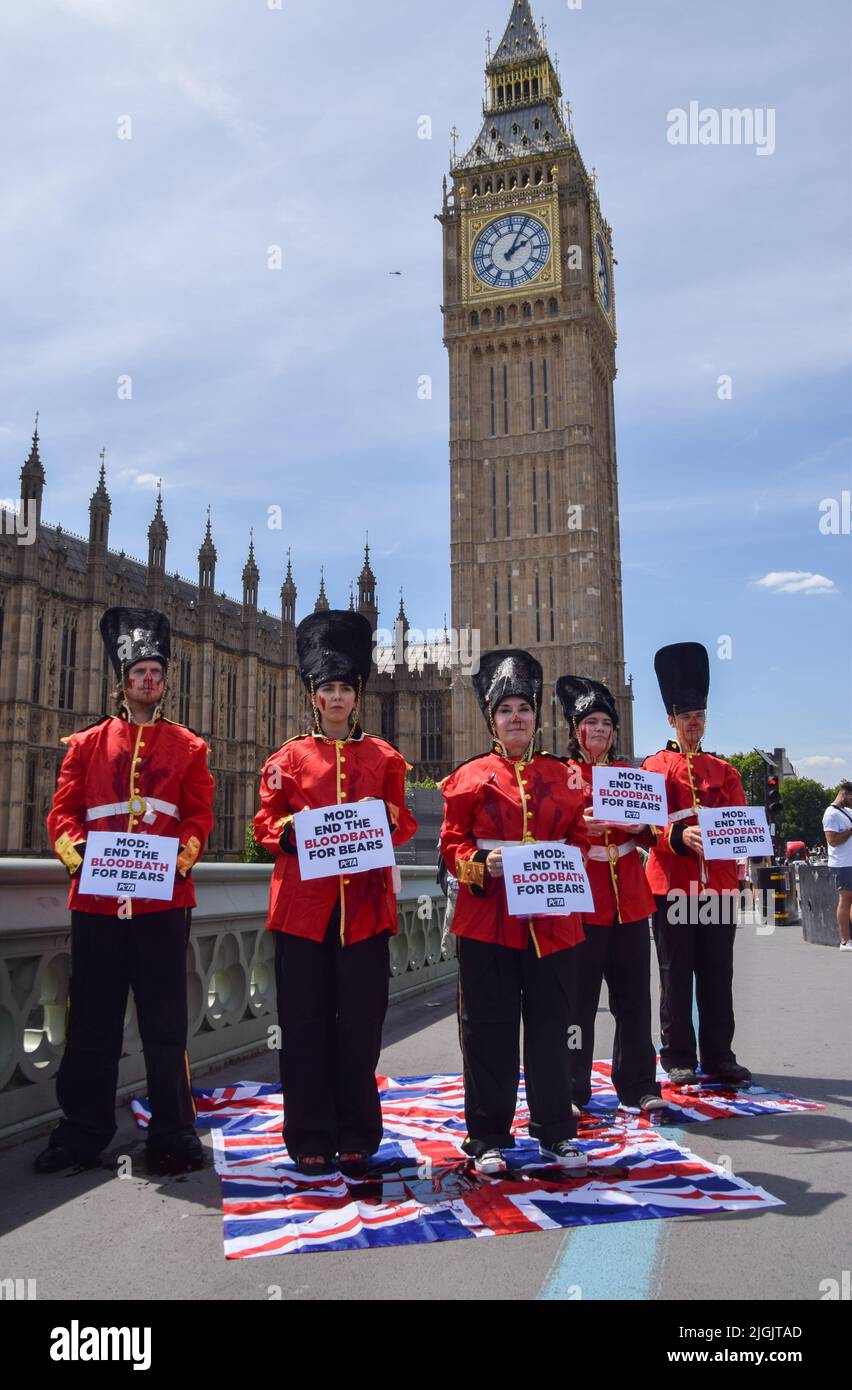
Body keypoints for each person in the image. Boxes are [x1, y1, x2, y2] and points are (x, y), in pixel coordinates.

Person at [37, 607, 215, 1175]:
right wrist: (77, 854)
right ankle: (83, 1131)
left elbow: (198, 817)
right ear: (123, 679)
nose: (147, 680)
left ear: (165, 683)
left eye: (156, 672)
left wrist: (182, 857)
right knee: (91, 1021)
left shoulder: (188, 748)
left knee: (166, 1024)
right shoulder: (87, 745)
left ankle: (172, 1132)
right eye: (139, 671)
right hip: (96, 902)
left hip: (163, 903)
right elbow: (62, 815)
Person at [254, 610, 416, 1178]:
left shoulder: (385, 759)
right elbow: (263, 826)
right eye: (328, 689)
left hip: (365, 914)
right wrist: (290, 833)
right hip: (303, 915)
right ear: (314, 697)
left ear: (357, 696)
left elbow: (403, 826)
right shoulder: (286, 760)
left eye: (346, 688)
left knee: (361, 1027)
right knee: (304, 1026)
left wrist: (380, 825)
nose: (338, 698)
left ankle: (358, 1133)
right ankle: (308, 1134)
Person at [438, 649, 589, 1176]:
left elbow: (576, 837)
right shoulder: (468, 777)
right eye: (505, 710)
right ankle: (487, 1136)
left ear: (536, 716)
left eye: (524, 708)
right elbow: (450, 846)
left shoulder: (565, 777)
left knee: (552, 1029)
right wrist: (481, 862)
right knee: (488, 1029)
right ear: (492, 720)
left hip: (553, 924)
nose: (516, 718)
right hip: (488, 923)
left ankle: (556, 1131)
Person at [642, 642, 752, 1087]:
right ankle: (677, 1056)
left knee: (717, 975)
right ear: (671, 720)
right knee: (675, 973)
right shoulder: (654, 765)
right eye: (686, 716)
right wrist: (677, 837)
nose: (694, 723)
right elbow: (644, 825)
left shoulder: (725, 771)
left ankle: (719, 1055)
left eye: (700, 716)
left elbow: (740, 827)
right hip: (671, 884)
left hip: (719, 887)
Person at [556, 675, 666, 1116]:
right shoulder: (558, 776)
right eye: (590, 722)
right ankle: (571, 1086)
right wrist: (581, 831)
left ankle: (638, 1084)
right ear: (575, 730)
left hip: (631, 900)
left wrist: (642, 828)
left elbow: (654, 832)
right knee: (577, 1004)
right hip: (582, 901)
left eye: (605, 722)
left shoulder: (629, 775)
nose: (599, 730)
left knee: (634, 999)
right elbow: (545, 835)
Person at [822, 781, 852, 949]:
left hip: (850, 861)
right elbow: (832, 841)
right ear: (844, 794)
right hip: (843, 863)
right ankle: (844, 941)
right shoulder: (831, 814)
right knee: (846, 900)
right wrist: (850, 831)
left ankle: (849, 939)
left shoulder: (847, 811)